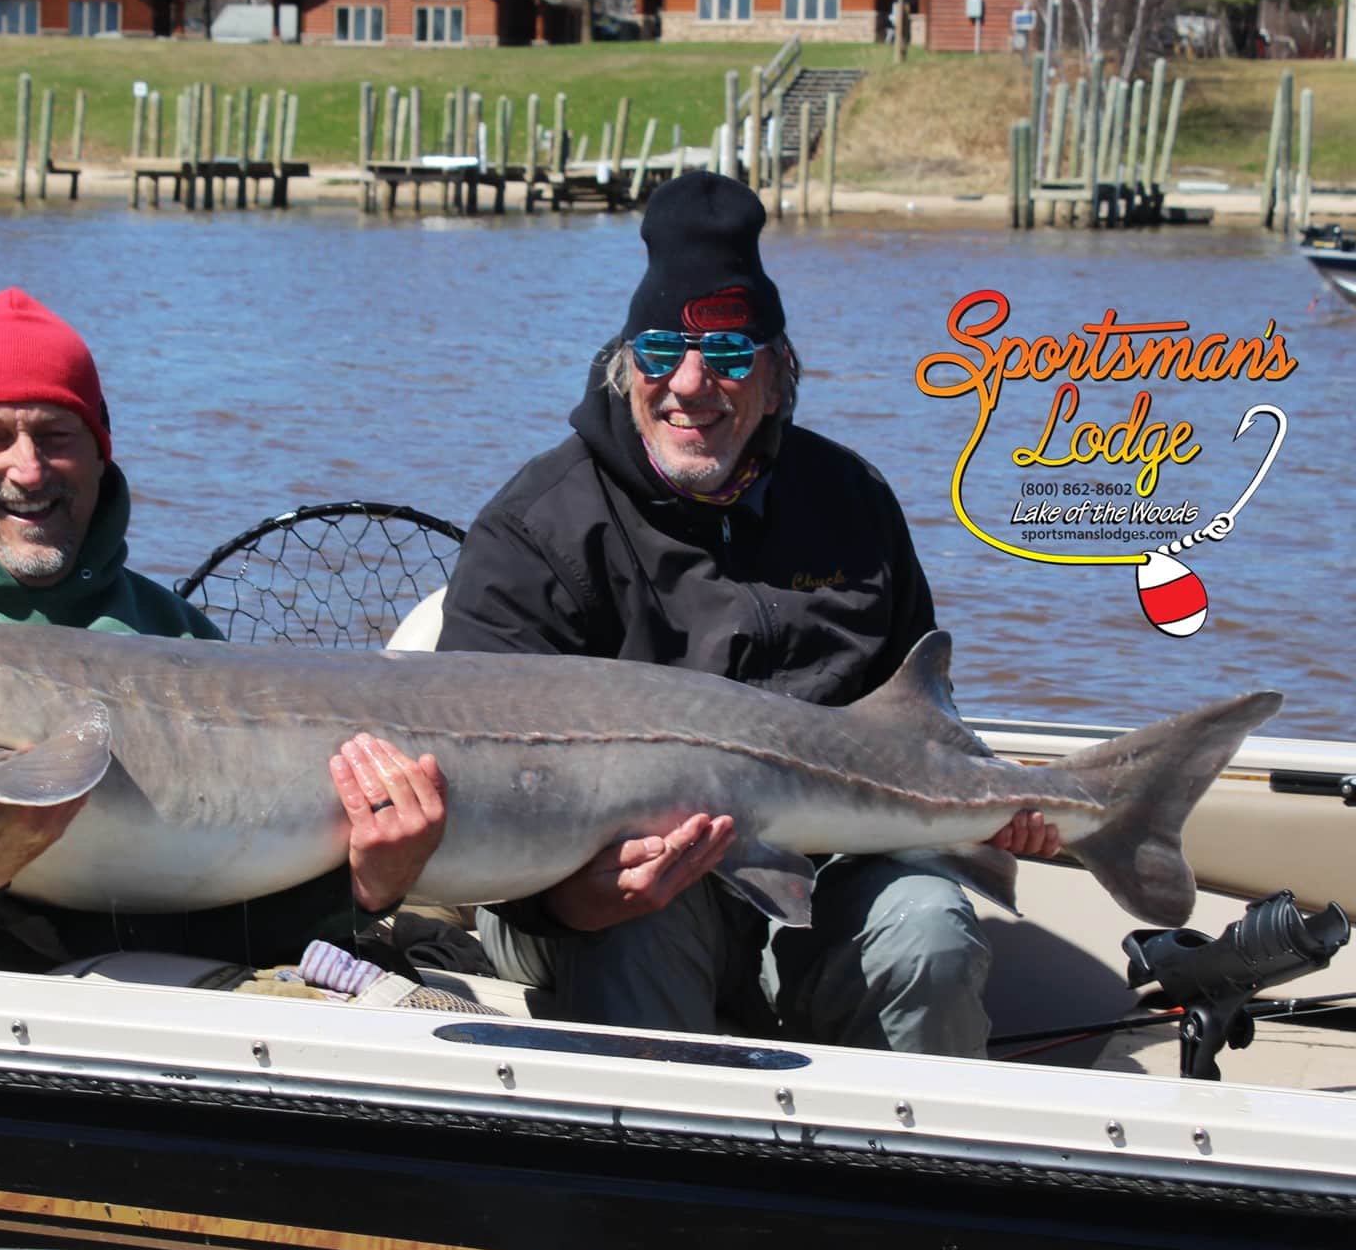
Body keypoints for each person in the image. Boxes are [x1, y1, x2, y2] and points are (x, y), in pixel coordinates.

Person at [432, 171, 1057, 1057]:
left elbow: (918, 718)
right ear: (625, 363)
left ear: (776, 373)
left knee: (929, 928)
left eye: (726, 354)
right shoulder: (536, 527)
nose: (690, 385)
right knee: (639, 919)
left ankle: (908, 1180)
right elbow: (475, 782)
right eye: (659, 351)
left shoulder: (852, 499)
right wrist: (571, 899)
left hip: (834, 868)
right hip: (590, 886)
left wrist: (984, 802)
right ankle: (662, 1188)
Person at [0, 288, 444, 968]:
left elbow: (213, 921)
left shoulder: (175, 637)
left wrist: (362, 887)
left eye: (57, 436)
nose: (27, 470)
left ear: (99, 454)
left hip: (128, 1021)